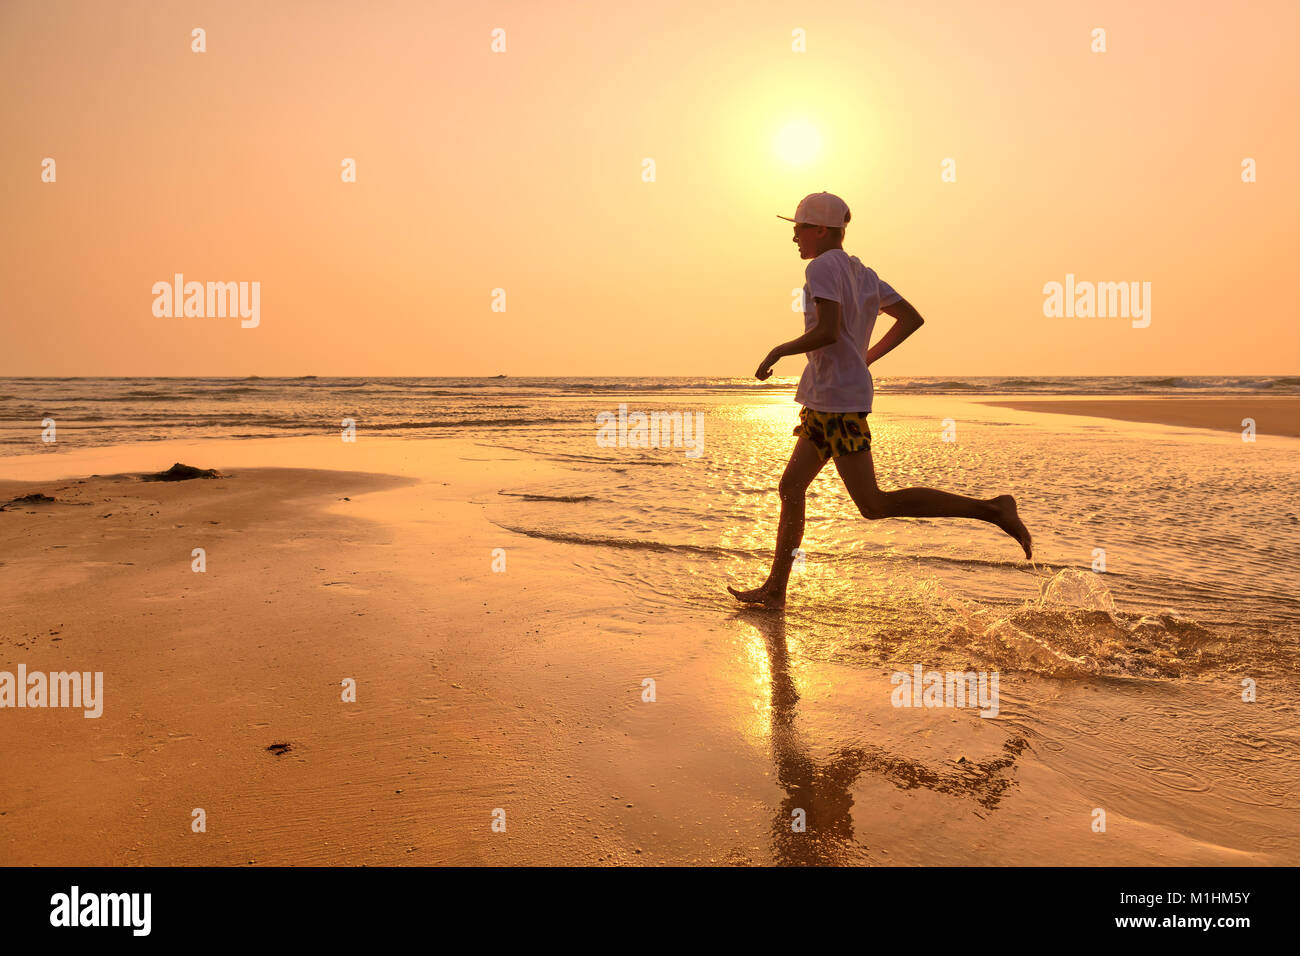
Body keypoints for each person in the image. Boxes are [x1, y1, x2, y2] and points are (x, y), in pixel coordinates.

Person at [728, 192, 1032, 610]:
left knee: (873, 504)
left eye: (798, 227)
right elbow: (911, 318)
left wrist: (777, 351)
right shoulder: (862, 272)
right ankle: (776, 590)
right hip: (829, 398)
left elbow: (828, 331)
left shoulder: (821, 267)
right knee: (792, 486)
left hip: (837, 401)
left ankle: (992, 509)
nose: (794, 237)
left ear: (820, 230)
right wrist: (865, 356)